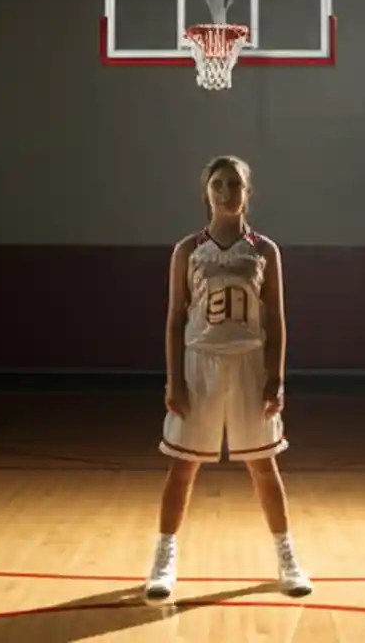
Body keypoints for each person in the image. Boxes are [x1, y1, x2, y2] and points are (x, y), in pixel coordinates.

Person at [143, 155, 313, 603]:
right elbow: (175, 319)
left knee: (263, 466)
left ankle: (287, 558)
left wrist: (276, 378)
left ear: (247, 193)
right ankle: (164, 559)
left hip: (248, 364)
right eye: (217, 184)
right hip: (199, 364)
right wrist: (173, 381)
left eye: (233, 184)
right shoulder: (186, 250)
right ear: (206, 193)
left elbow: (276, 320)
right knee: (183, 467)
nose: (225, 192)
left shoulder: (264, 250)